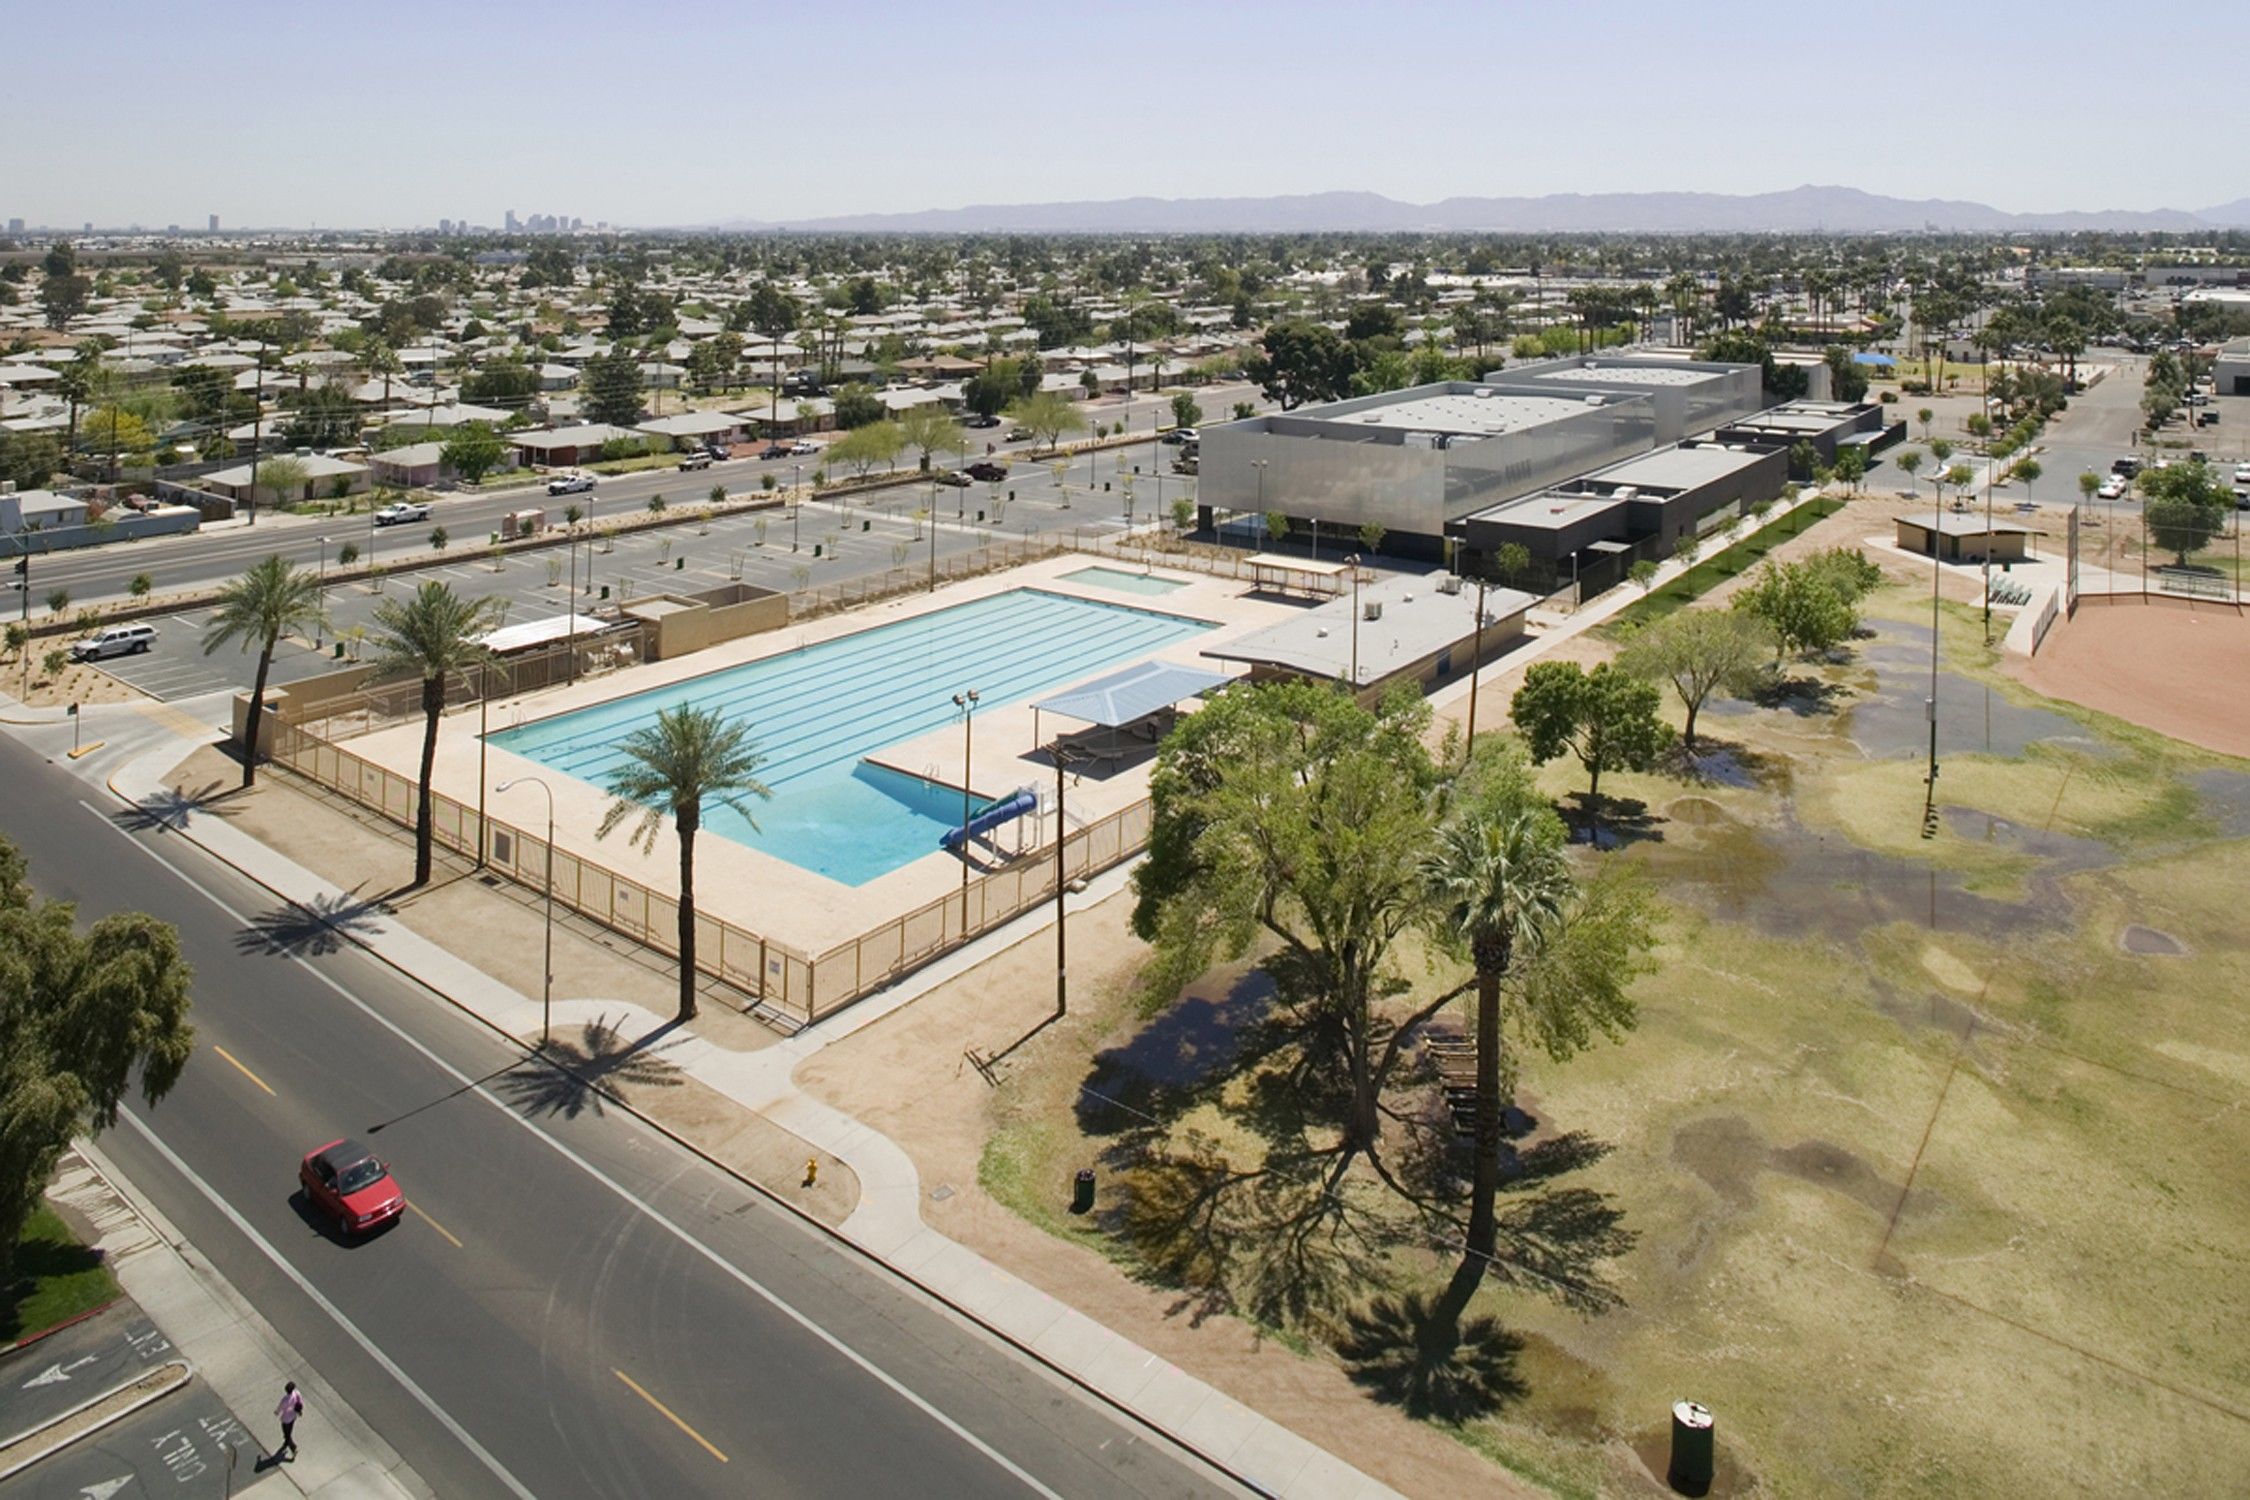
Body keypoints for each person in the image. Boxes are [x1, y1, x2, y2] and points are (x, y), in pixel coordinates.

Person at [276, 1381, 304, 1460]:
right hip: (293, 1416)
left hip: (286, 1418)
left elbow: (280, 1408)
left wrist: (277, 1412)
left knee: (286, 1433)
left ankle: (293, 1448)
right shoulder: (296, 1393)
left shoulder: (285, 1400)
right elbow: (300, 1402)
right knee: (289, 1431)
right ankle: (286, 1443)